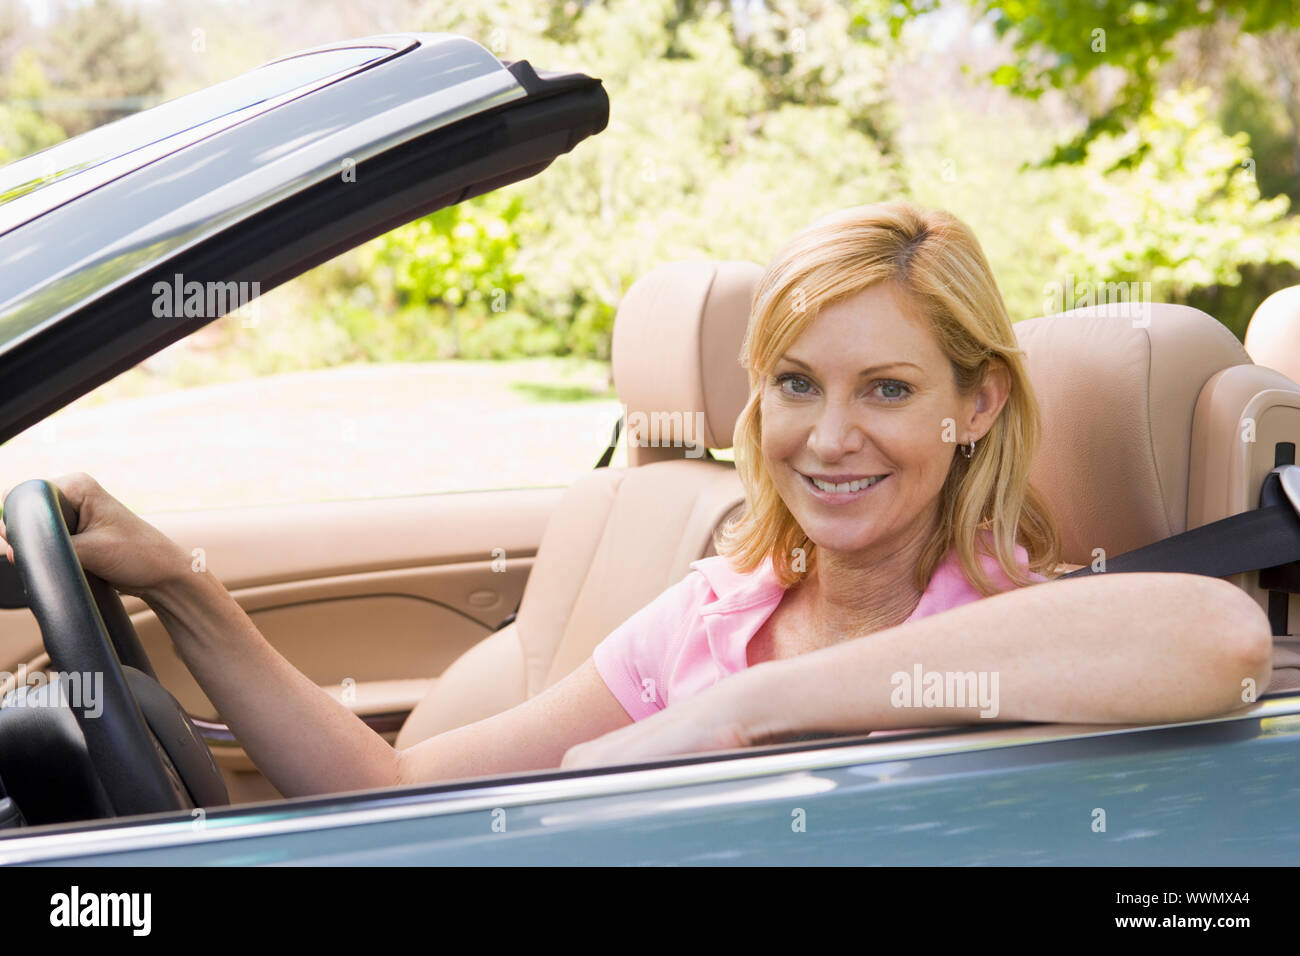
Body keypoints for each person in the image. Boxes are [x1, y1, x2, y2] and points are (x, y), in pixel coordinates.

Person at [0, 201, 1273, 799]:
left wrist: (748, 711)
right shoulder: (712, 612)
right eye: (792, 383)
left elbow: (1218, 643)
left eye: (887, 388)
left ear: (976, 405)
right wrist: (183, 581)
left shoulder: (1006, 619)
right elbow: (391, 790)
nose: (828, 437)